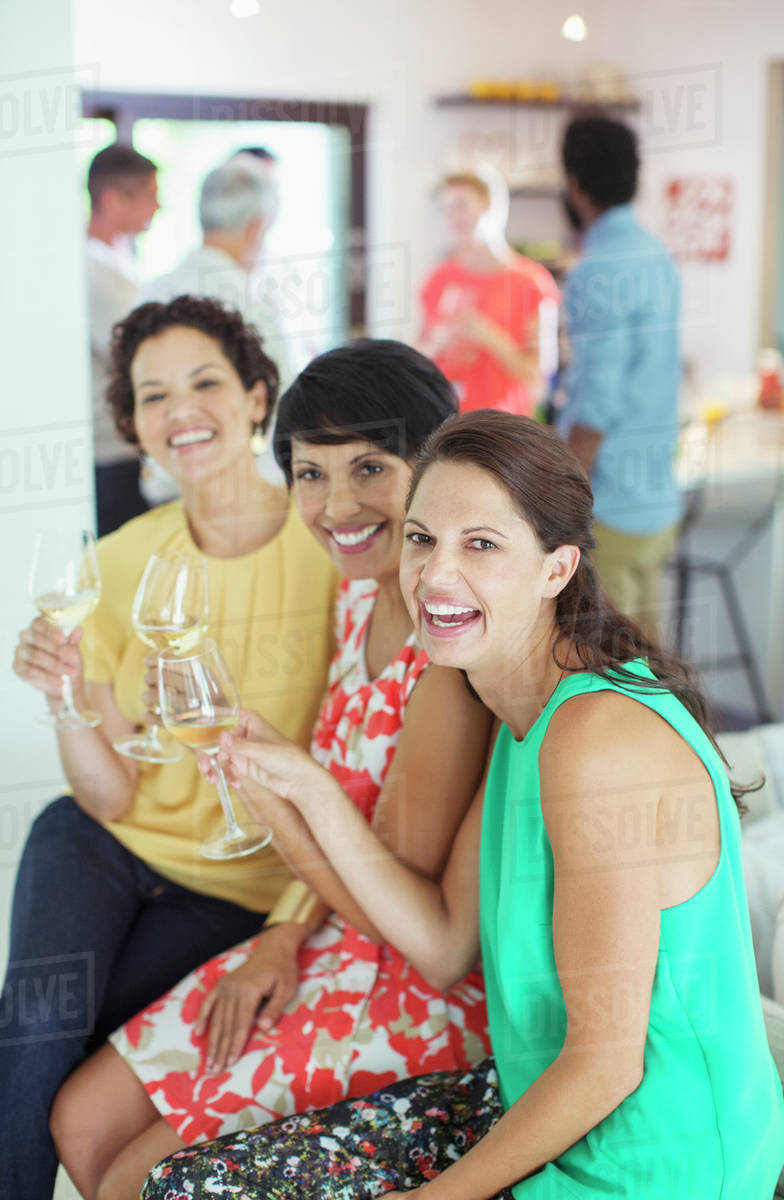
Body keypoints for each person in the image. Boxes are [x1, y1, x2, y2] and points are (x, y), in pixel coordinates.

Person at [144, 409, 784, 1199]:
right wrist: (288, 780)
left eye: (480, 544)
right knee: (185, 1181)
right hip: (547, 1108)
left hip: (650, 1161)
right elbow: (442, 944)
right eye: (422, 539)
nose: (436, 575)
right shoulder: (520, 716)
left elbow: (607, 1063)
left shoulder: (593, 738)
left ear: (556, 570)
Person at [48, 340, 493, 1200]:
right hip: (323, 935)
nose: (336, 504)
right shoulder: (358, 592)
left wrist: (278, 797)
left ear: (434, 460)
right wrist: (285, 934)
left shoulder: (446, 665)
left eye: (369, 466)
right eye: (311, 474)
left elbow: (407, 910)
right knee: (79, 1118)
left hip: (398, 984)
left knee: (137, 1180)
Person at [5, 295, 339, 1200]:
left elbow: (354, 777)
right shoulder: (120, 561)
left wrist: (287, 931)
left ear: (258, 396)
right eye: (153, 396)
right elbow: (111, 796)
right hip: (103, 844)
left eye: (205, 382)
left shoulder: (331, 556)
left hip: (242, 885)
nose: (179, 410)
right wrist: (68, 698)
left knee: (72, 1045)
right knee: (32, 1030)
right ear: (134, 425)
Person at [558, 116, 683, 640]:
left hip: (609, 507)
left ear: (575, 184)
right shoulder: (658, 256)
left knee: (605, 677)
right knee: (654, 674)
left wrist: (560, 497)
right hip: (658, 503)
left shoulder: (598, 268)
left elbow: (597, 401)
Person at [139, 159, 290, 495]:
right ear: (257, 226)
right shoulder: (250, 306)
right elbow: (282, 405)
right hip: (240, 493)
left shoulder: (150, 292)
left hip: (164, 483)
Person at [419, 167, 559, 417]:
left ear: (490, 205)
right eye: (446, 209)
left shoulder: (532, 283)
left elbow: (539, 378)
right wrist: (435, 343)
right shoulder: (438, 279)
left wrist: (490, 337)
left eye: (461, 205)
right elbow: (417, 354)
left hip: (501, 431)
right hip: (444, 423)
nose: (453, 217)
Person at [87, 143, 160, 535]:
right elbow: (132, 354)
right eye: (150, 194)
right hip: (111, 454)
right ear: (113, 200)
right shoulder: (93, 272)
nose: (158, 206)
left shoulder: (115, 262)